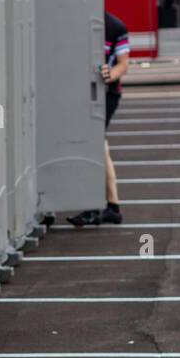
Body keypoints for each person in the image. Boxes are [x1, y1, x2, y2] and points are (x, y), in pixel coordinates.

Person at [68, 12, 128, 227]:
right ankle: (112, 206)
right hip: (84, 93)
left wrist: (108, 75)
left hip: (108, 94)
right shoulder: (76, 22)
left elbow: (123, 64)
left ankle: (95, 207)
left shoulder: (115, 26)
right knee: (100, 146)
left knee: (95, 145)